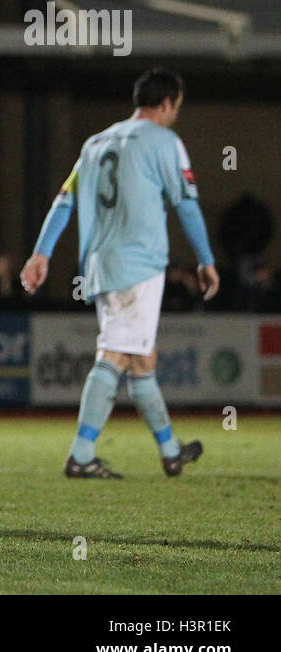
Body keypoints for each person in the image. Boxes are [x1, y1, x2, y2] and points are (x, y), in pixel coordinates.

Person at [21, 68, 218, 478]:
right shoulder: (165, 141)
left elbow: (64, 201)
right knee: (114, 353)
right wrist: (205, 260)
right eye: (176, 108)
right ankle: (80, 454)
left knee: (141, 358)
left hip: (100, 262)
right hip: (139, 263)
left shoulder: (96, 143)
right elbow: (186, 204)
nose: (174, 116)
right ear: (167, 104)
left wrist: (41, 253)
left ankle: (170, 450)